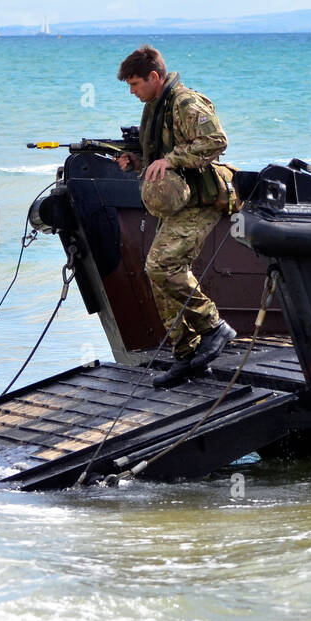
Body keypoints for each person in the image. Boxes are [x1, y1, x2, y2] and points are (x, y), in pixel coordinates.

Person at [115, 45, 236, 388]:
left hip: (201, 198)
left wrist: (172, 160)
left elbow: (216, 140)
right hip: (180, 202)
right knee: (159, 273)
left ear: (155, 77)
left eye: (135, 83)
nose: (132, 91)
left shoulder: (183, 102)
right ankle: (187, 356)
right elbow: (163, 153)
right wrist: (138, 161)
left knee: (161, 265)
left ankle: (214, 327)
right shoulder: (156, 106)